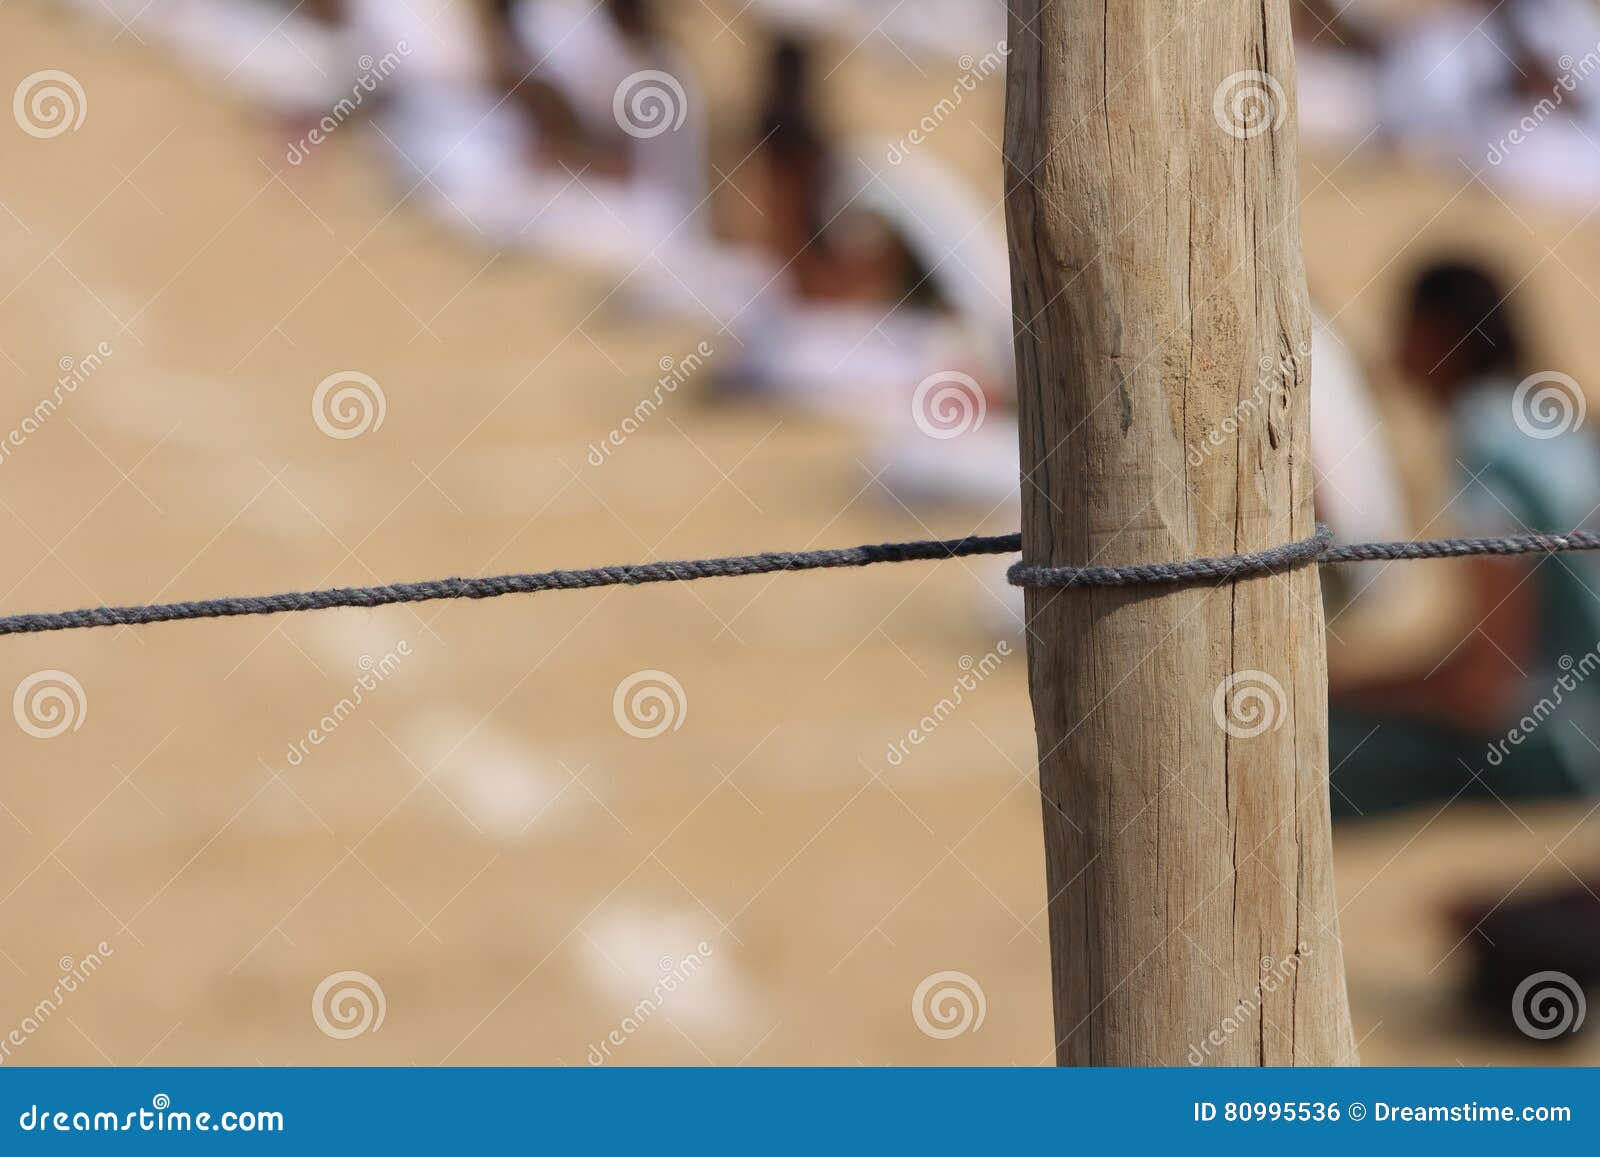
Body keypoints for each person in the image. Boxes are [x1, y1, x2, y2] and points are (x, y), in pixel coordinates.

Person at [1328, 258, 1600, 816]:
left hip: (1562, 743)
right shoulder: (1545, 417)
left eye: (1402, 323)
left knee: (1306, 753)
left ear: (1439, 332)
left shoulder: (1485, 438)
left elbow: (1485, 685)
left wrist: (1342, 690)